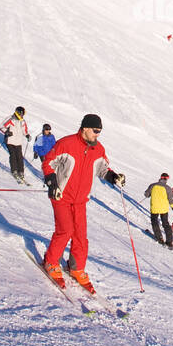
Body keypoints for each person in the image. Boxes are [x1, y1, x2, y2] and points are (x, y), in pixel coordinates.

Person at [41, 114, 124, 292]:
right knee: (65, 230)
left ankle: (76, 268)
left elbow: (103, 169)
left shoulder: (98, 149)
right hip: (61, 195)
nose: (97, 134)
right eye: (95, 131)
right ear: (85, 128)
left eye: (100, 131)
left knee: (80, 234)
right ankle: (51, 262)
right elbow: (48, 162)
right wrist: (51, 182)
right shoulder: (67, 144)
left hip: (80, 200)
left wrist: (113, 177)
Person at [1, 106, 30, 183]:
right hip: (10, 141)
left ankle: (21, 171)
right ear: (17, 113)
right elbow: (2, 126)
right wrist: (6, 132)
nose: (22, 116)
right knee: (13, 155)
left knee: (20, 157)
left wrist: (27, 135)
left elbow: (24, 130)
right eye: (21, 114)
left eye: (22, 115)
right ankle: (14, 170)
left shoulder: (22, 121)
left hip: (18, 142)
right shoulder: (10, 119)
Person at [144, 173, 173, 248]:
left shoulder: (153, 185)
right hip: (164, 209)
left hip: (154, 208)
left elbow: (146, 195)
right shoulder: (168, 188)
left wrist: (149, 194)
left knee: (154, 222)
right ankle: (169, 241)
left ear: (160, 178)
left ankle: (159, 237)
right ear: (166, 179)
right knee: (166, 224)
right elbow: (171, 200)